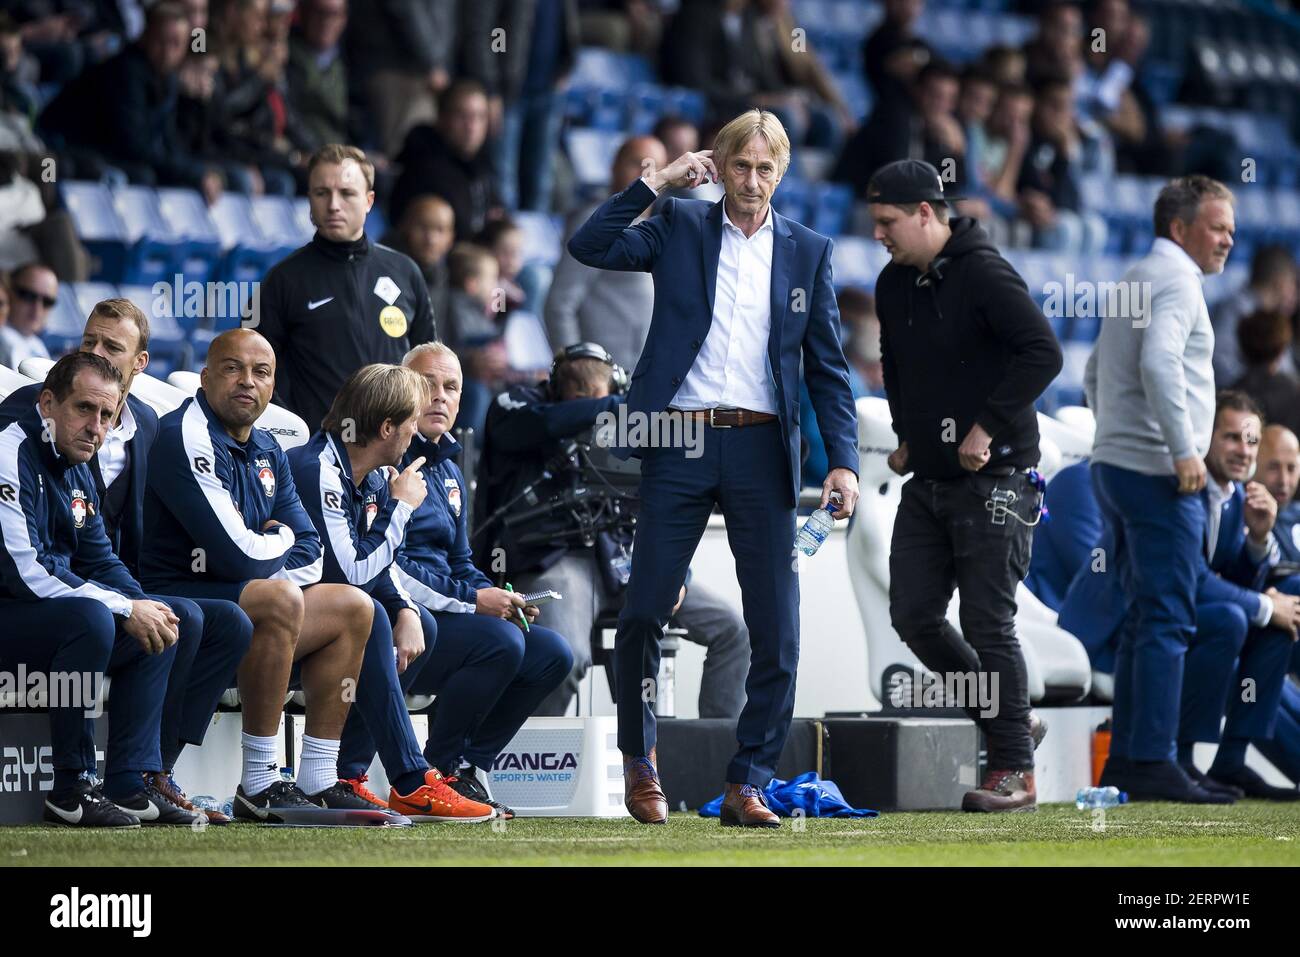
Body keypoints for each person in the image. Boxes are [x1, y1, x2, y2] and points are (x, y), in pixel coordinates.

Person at [567, 109, 860, 827]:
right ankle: (642, 760)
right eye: (740, 166)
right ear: (718, 165)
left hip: (764, 448)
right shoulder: (681, 225)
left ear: (781, 173)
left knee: (779, 628)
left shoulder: (809, 251)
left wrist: (845, 463)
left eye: (765, 168)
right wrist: (659, 181)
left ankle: (747, 780)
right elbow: (590, 244)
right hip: (677, 438)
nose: (752, 180)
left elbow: (829, 370)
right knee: (641, 609)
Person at [0, 298, 252, 824]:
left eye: (105, 415)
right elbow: (26, 573)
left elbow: (99, 556)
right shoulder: (11, 445)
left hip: (50, 607)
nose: (95, 425)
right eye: (83, 409)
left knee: (187, 617)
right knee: (98, 615)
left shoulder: (79, 460)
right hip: (15, 605)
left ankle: (136, 778)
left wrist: (143, 604)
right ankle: (69, 788)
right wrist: (123, 607)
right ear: (48, 404)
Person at [869, 158, 1062, 813]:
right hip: (931, 477)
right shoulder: (893, 284)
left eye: (889, 222)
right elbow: (894, 363)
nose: (880, 234)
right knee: (913, 615)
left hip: (1004, 477)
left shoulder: (984, 272)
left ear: (927, 212)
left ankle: (1016, 771)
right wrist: (904, 432)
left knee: (987, 620)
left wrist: (984, 426)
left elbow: (1044, 351)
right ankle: (1012, 726)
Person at [139, 329, 391, 823]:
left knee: (354, 607)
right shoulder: (185, 435)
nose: (246, 382)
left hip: (240, 593)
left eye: (261, 373)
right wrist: (276, 544)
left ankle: (319, 777)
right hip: (176, 594)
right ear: (206, 376)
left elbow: (312, 551)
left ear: (274, 386)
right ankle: (260, 781)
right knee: (280, 598)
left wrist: (268, 552)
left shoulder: (269, 447)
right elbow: (239, 556)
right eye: (232, 368)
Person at [477, 342, 752, 720]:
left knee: (733, 631)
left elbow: (666, 506)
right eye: (580, 396)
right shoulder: (519, 404)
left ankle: (719, 756)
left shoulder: (631, 423)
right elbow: (525, 426)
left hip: (624, 559)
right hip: (558, 561)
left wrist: (679, 575)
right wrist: (614, 408)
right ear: (558, 389)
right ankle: (529, 768)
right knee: (564, 656)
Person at [289, 362, 497, 821]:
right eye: (409, 423)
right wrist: (401, 508)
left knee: (412, 621)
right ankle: (410, 778)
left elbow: (379, 571)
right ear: (387, 427)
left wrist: (405, 607)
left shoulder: (375, 474)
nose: (412, 436)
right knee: (373, 616)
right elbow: (351, 569)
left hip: (334, 620)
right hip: (280, 630)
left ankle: (350, 775)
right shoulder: (316, 467)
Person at [1085, 174, 1234, 803]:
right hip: (1158, 472)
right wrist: (1180, 448)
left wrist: (1117, 436)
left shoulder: (1137, 275)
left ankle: (1131, 758)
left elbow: (1094, 373)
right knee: (1168, 617)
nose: (1229, 239)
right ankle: (1151, 757)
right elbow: (1157, 364)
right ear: (1180, 228)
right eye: (1217, 226)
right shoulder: (1177, 279)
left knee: (1147, 616)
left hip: (1116, 467)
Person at [387, 342, 574, 812]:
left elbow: (461, 561)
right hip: (401, 616)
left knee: (552, 651)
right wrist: (475, 602)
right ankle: (433, 774)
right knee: (499, 642)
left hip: (451, 614)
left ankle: (471, 769)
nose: (440, 397)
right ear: (400, 387)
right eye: (428, 384)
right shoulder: (386, 459)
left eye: (451, 387)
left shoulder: (449, 468)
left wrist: (500, 597)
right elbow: (391, 564)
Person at [255, 144, 435, 432]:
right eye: (321, 193)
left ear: (369, 200)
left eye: (347, 193)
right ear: (309, 199)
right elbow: (254, 369)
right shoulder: (281, 280)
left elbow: (429, 367)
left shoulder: (405, 272)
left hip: (397, 449)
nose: (334, 205)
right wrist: (295, 437)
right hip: (318, 454)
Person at [1175, 392, 1300, 800]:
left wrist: (1259, 539)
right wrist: (1266, 606)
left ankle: (1231, 758)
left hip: (1194, 614)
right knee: (1242, 616)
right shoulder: (1184, 485)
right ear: (1205, 438)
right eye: (1231, 438)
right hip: (1133, 624)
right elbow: (1192, 578)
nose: (1242, 451)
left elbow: (1232, 578)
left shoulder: (1236, 499)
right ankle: (1182, 759)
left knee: (1280, 621)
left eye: (1249, 441)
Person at [545, 135, 667, 370]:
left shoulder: (657, 224)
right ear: (613, 166)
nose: (647, 175)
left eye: (657, 168)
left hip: (635, 373)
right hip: (598, 376)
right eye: (637, 163)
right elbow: (560, 302)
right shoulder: (592, 221)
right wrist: (573, 368)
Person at [390, 80, 505, 240]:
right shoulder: (422, 167)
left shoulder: (481, 164)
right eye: (463, 116)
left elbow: (499, 213)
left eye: (480, 116)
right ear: (442, 117)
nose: (472, 126)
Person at [1210, 244, 1297, 385]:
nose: (1295, 293)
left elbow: (1287, 372)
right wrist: (1257, 388)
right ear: (1280, 281)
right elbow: (1220, 364)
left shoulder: (1275, 318)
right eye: (1292, 283)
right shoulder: (1234, 310)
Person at [0, 260, 54, 368]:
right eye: (28, 296)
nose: (37, 308)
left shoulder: (35, 342)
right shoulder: (7, 342)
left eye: (47, 301)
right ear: (9, 293)